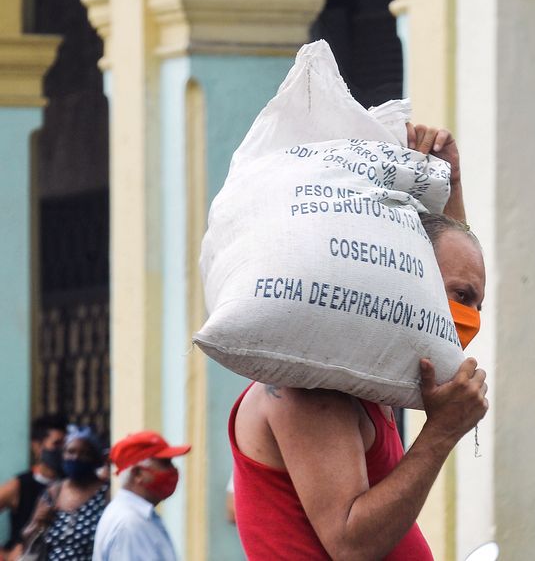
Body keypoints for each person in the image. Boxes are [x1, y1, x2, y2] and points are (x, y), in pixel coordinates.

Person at [229, 124, 488, 560]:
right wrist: (442, 432)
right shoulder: (311, 388)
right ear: (405, 279)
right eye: (462, 299)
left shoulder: (365, 382)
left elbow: (444, 256)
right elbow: (351, 542)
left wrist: (449, 184)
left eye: (476, 304)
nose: (469, 319)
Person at [91, 430, 190, 561]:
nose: (173, 470)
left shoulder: (139, 516)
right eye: (165, 463)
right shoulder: (129, 524)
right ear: (138, 474)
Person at [22, 426, 108, 561]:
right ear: (63, 455)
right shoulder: (52, 493)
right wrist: (38, 523)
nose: (76, 458)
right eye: (70, 452)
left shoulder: (105, 494)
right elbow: (27, 538)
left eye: (84, 453)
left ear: (95, 458)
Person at [1, 414, 67, 560]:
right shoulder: (20, 485)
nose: (62, 450)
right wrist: (5, 555)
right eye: (57, 443)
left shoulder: (68, 483)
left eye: (65, 444)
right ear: (37, 446)